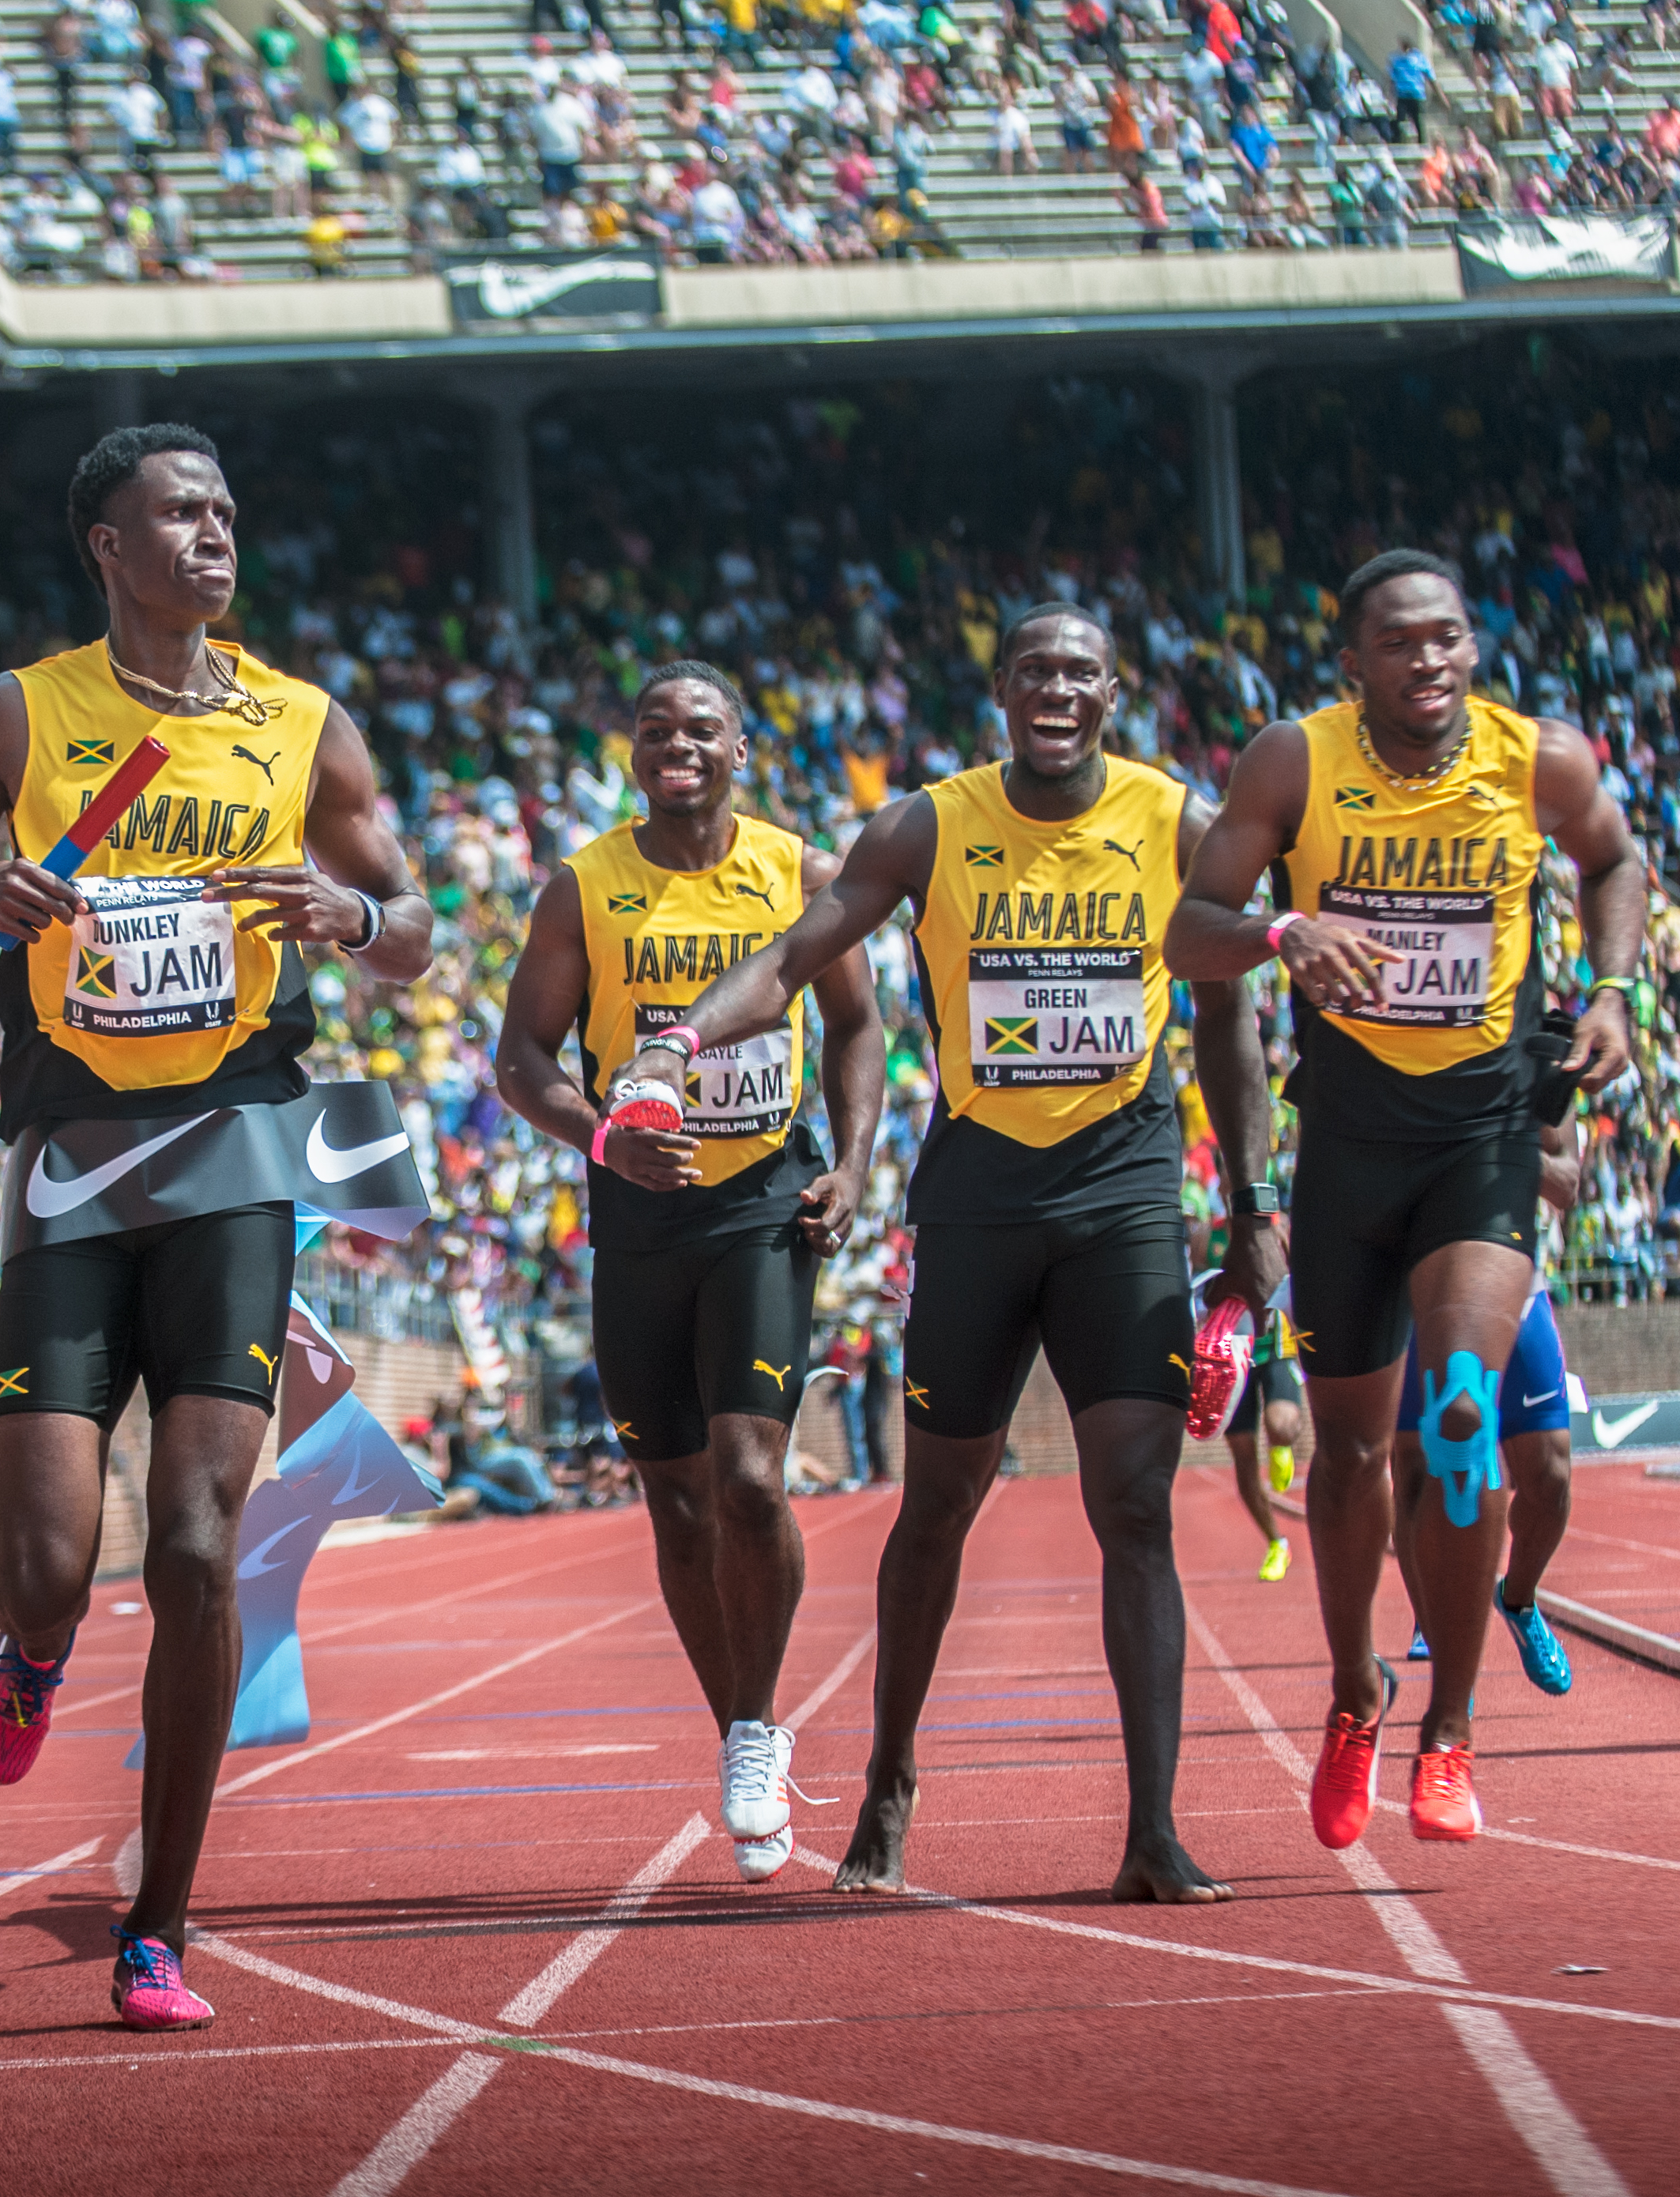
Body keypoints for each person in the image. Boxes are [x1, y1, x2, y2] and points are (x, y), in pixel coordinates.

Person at [0, 423, 433, 2030]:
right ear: (105, 544)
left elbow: (414, 931)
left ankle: (156, 1924)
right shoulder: (17, 715)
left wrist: (351, 915)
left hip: (236, 1154)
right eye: (177, 514)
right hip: (71, 1170)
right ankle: (33, 1651)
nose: (212, 535)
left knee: (192, 1544)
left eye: (225, 511)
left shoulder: (299, 723)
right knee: (43, 1569)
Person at [620, 605, 1283, 1904]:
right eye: (1034, 670)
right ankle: (890, 1775)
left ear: (1112, 693)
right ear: (1000, 690)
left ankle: (1153, 1828)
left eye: (1080, 671)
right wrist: (676, 1042)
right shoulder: (928, 826)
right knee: (936, 1510)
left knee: (1135, 1506)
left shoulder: (1174, 822)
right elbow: (796, 955)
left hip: (1125, 1194)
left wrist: (1255, 1200)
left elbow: (1229, 1021)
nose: (1056, 689)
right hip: (980, 1200)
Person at [1167, 548, 1641, 1846]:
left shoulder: (1538, 761)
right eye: (1398, 641)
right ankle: (1354, 1691)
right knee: (1349, 1459)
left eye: (1445, 637)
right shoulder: (1292, 763)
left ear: (1470, 649)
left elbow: (1615, 863)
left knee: (1464, 1412)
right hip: (1349, 1149)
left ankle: (1452, 1730)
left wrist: (1612, 992)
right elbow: (1189, 931)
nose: (1427, 659)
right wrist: (1282, 932)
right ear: (1352, 664)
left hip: (1480, 1138)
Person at [495, 661, 884, 1884]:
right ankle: (740, 1726)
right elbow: (521, 1058)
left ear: (741, 751)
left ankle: (757, 1734)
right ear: (632, 754)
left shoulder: (797, 871)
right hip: (638, 1210)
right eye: (656, 728)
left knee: (751, 1481)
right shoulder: (585, 886)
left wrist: (855, 1163)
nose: (679, 745)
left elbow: (858, 1024)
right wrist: (600, 1136)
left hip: (764, 1197)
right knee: (674, 1501)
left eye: (702, 729)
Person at [1388, 1115, 1581, 1683]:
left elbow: (1566, 1184)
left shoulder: (1537, 1069)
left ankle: (1518, 1600)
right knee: (1420, 1473)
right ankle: (1445, 1652)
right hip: (1413, 1287)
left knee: (1551, 1477)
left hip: (1508, 1276)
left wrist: (1495, 1147)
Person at [1222, 1309, 1305, 1581]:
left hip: (1275, 1350)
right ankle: (1277, 1543)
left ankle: (1280, 1445)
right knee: (1243, 1455)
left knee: (1281, 1426)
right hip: (1232, 1355)